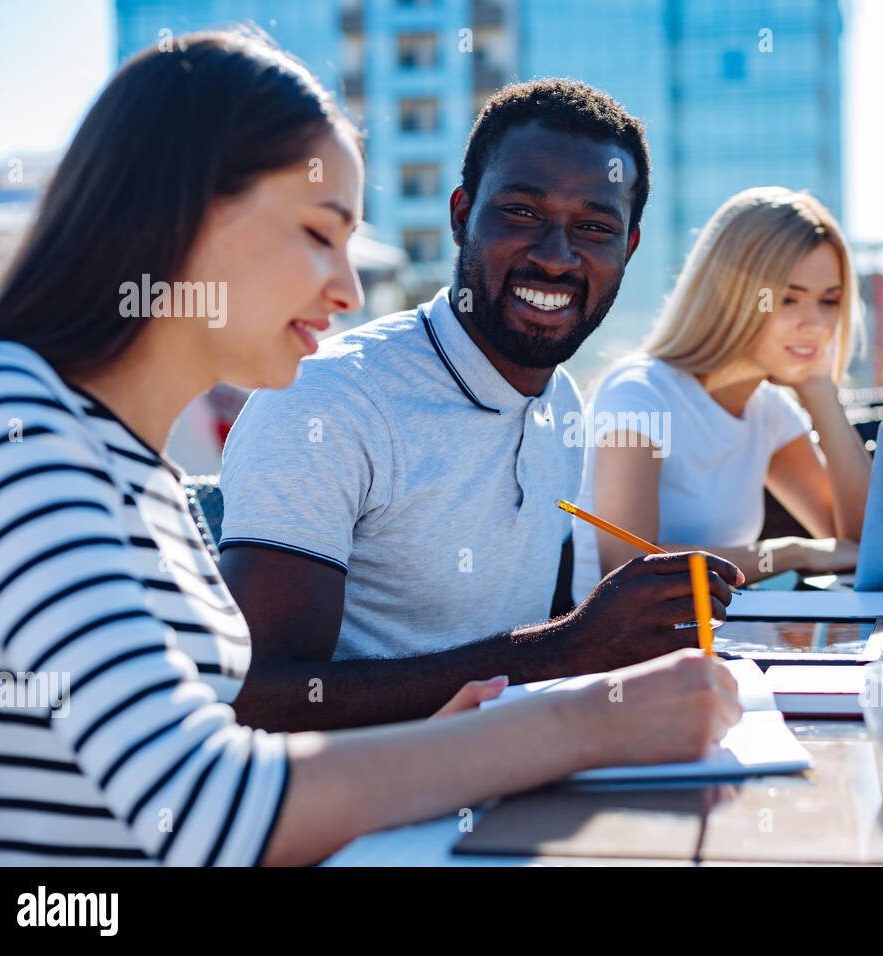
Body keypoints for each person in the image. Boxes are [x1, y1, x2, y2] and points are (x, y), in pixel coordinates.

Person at [0, 32, 741, 866]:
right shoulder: (15, 426)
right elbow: (202, 803)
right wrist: (584, 717)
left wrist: (467, 733)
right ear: (179, 213)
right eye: (316, 231)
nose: (349, 288)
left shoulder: (126, 461)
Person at [217, 77, 744, 733]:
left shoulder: (563, 403)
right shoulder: (328, 399)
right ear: (462, 214)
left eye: (593, 227)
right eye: (522, 213)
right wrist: (573, 645)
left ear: (628, 249)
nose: (556, 258)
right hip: (364, 820)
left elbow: (541, 644)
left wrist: (628, 653)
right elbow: (253, 697)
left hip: (510, 780)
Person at [571, 187, 869, 602]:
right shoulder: (637, 393)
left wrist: (820, 391)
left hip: (720, 644)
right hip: (628, 658)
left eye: (830, 301)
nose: (815, 323)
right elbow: (628, 566)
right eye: (788, 299)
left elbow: (861, 544)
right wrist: (789, 553)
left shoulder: (769, 410)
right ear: (732, 294)